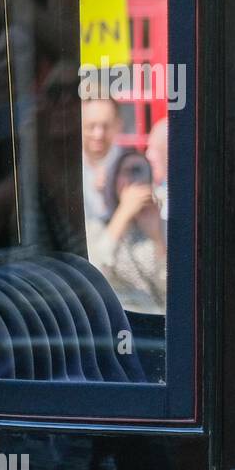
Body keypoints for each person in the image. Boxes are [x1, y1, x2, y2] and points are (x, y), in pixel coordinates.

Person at [87, 149, 166, 314]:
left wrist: (157, 237)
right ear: (113, 180)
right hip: (123, 322)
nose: (133, 180)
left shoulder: (164, 227)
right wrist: (123, 215)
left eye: (139, 171)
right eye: (126, 172)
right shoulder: (97, 228)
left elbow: (174, 287)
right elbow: (94, 274)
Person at [81, 96, 124, 224]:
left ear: (118, 125)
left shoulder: (131, 164)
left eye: (106, 126)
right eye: (91, 126)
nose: (98, 134)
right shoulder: (66, 167)